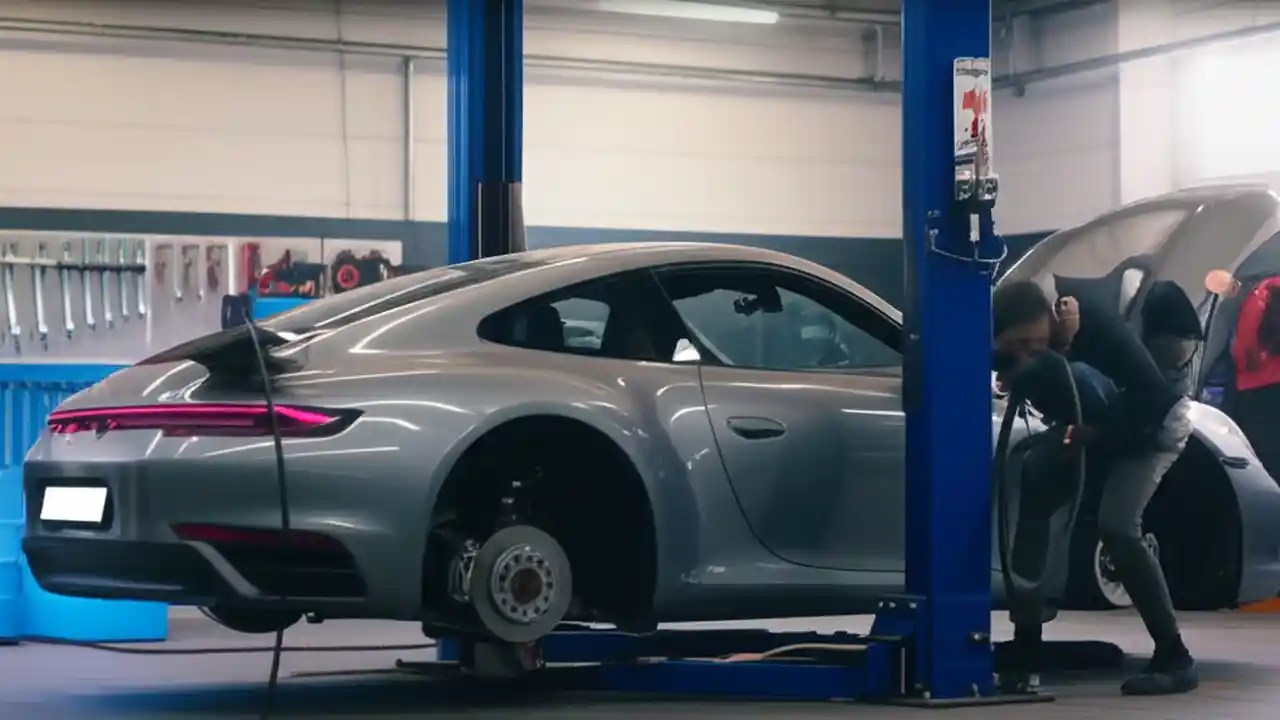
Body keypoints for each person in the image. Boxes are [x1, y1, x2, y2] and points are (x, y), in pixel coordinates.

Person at [992, 279, 1201, 696]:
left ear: (1048, 320)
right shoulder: (1031, 348)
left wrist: (1089, 432)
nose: (1023, 356)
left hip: (1149, 425)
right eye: (1012, 349)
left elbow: (1151, 394)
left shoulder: (1096, 323)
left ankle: (1175, 655)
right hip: (1089, 426)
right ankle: (1027, 641)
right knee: (1034, 478)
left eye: (1030, 343)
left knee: (1119, 527)